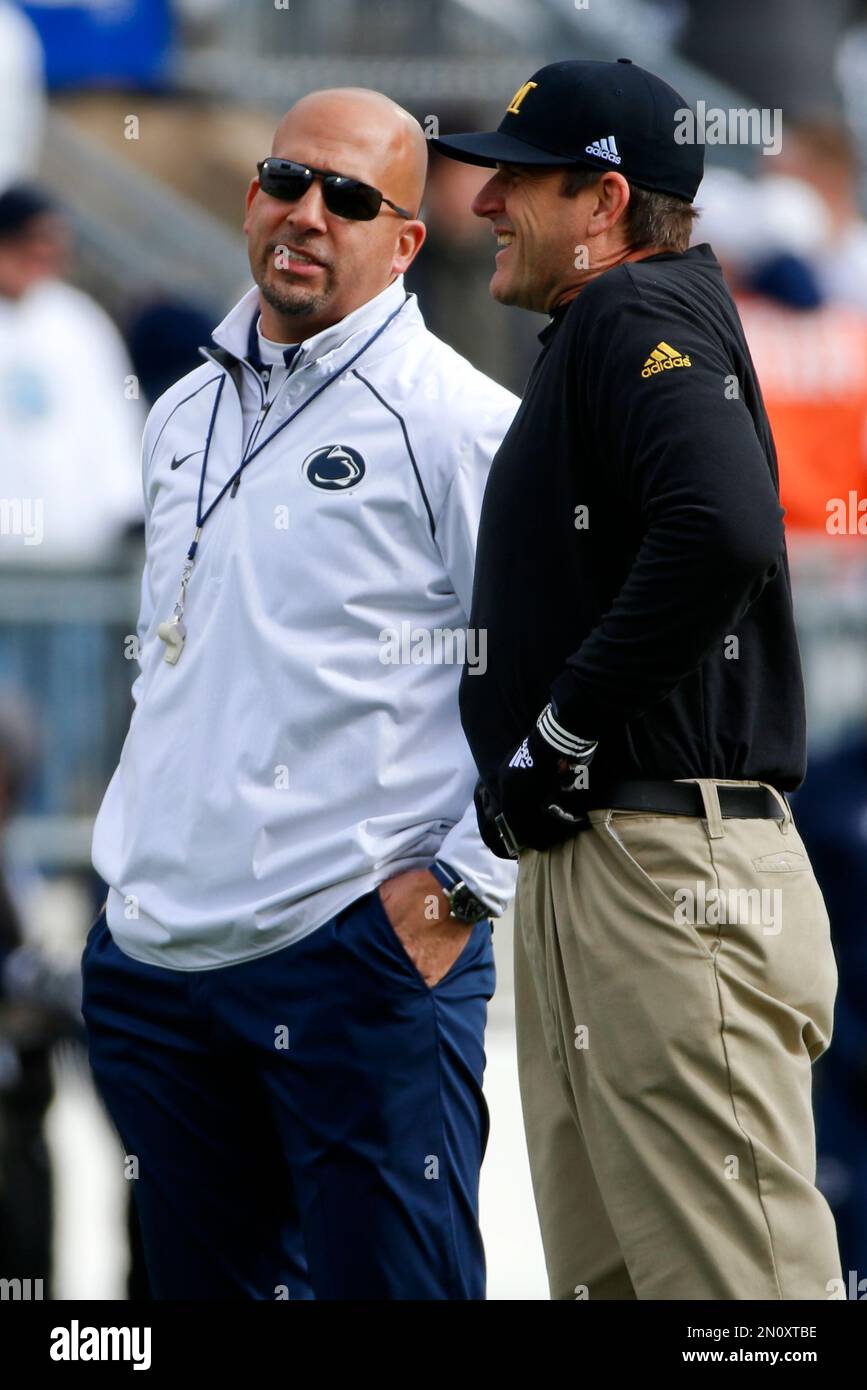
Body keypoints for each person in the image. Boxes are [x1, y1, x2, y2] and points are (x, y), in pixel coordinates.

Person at [81, 88, 518, 1300]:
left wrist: (464, 888)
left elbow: (568, 679)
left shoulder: (462, 426)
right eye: (287, 178)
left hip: (357, 959)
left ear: (408, 239)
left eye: (351, 197)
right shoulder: (178, 412)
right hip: (163, 969)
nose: (308, 213)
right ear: (250, 194)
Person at [434, 57, 842, 1300]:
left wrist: (560, 730)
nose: (486, 205)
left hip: (667, 875)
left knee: (739, 1306)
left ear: (603, 201)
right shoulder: (624, 319)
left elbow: (721, 529)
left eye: (516, 180)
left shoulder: (635, 314)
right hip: (618, 868)